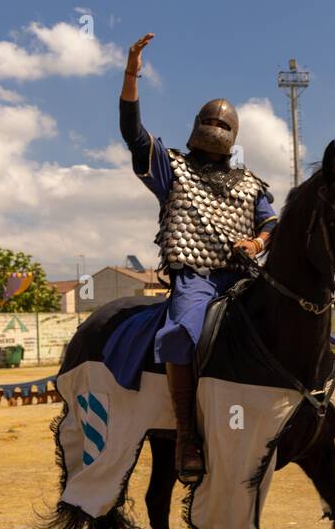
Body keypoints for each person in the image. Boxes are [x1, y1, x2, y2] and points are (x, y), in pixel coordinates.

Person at [117, 32, 279, 482]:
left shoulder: (249, 182)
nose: (216, 131)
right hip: (197, 278)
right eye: (212, 123)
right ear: (197, 125)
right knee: (181, 332)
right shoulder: (172, 168)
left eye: (224, 127)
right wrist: (132, 71)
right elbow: (133, 132)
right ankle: (187, 434)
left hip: (243, 277)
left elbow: (270, 223)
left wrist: (258, 243)